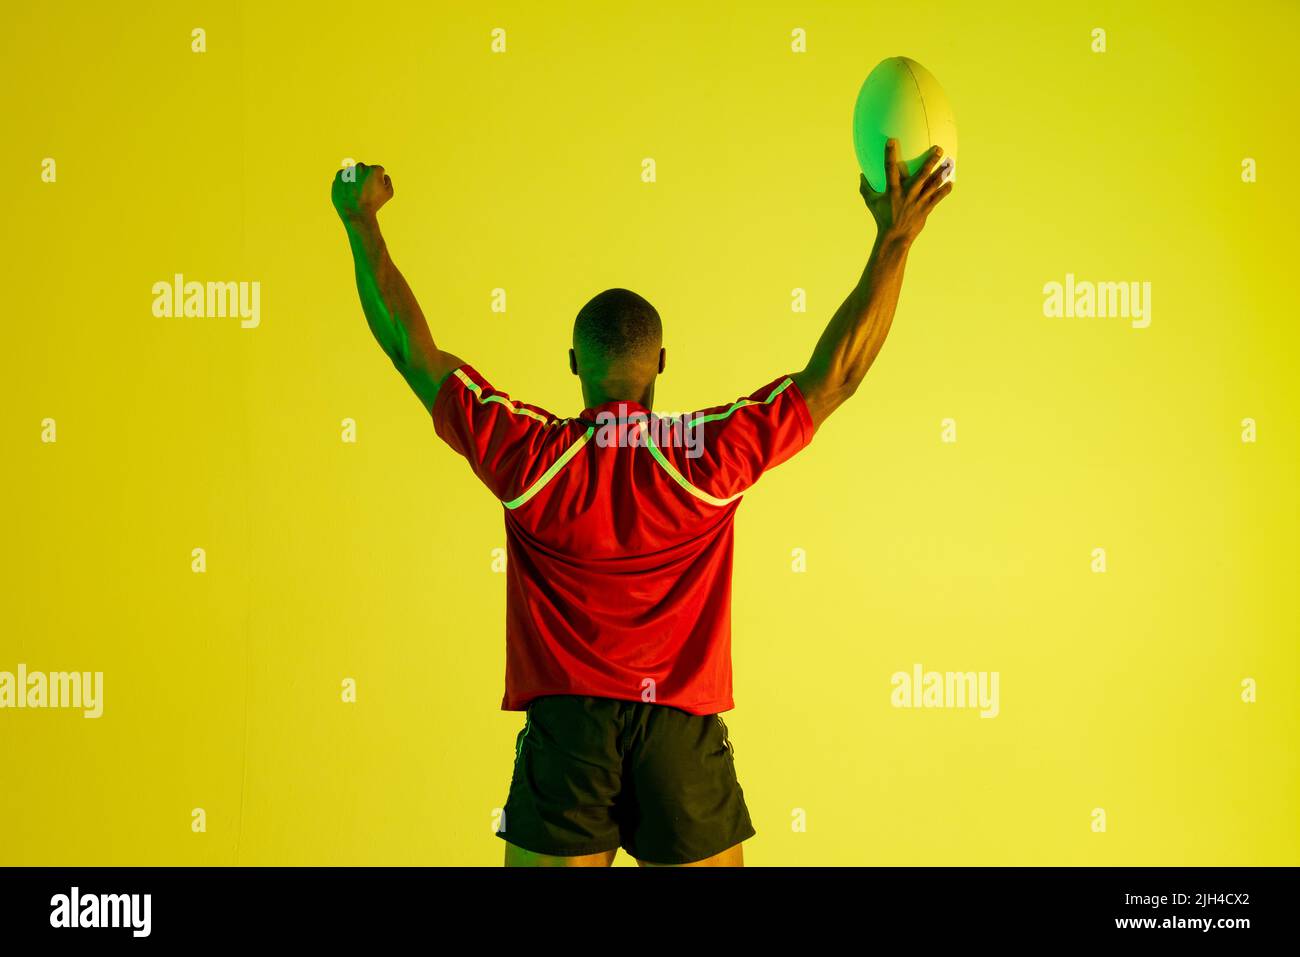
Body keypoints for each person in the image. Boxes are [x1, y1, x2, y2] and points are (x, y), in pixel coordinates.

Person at [330, 140, 953, 867]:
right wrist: (895, 237)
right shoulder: (705, 457)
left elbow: (412, 349)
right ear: (660, 361)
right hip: (680, 738)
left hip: (568, 733)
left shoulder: (529, 456)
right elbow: (836, 375)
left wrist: (360, 221)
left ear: (574, 363)